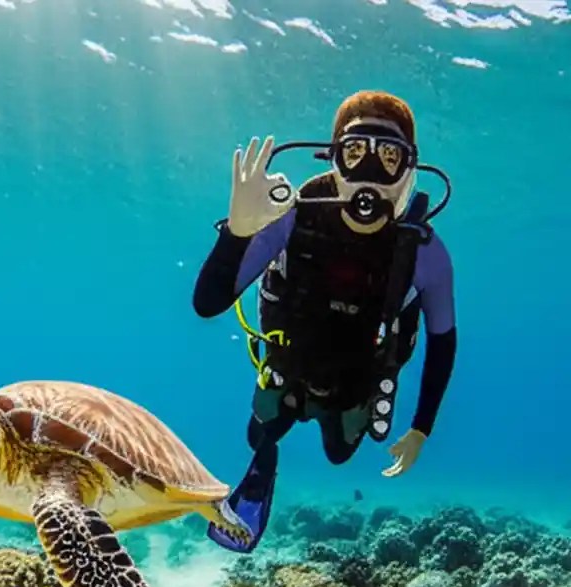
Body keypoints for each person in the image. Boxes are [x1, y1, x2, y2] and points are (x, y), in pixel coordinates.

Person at [192, 90, 458, 553]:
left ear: (408, 171)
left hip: (357, 383)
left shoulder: (424, 254)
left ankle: (313, 431)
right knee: (261, 434)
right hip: (287, 369)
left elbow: (443, 341)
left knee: (339, 455)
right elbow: (208, 303)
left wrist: (421, 427)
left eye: (388, 157)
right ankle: (262, 468)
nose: (369, 176)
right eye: (355, 154)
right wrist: (238, 232)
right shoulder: (289, 219)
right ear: (334, 161)